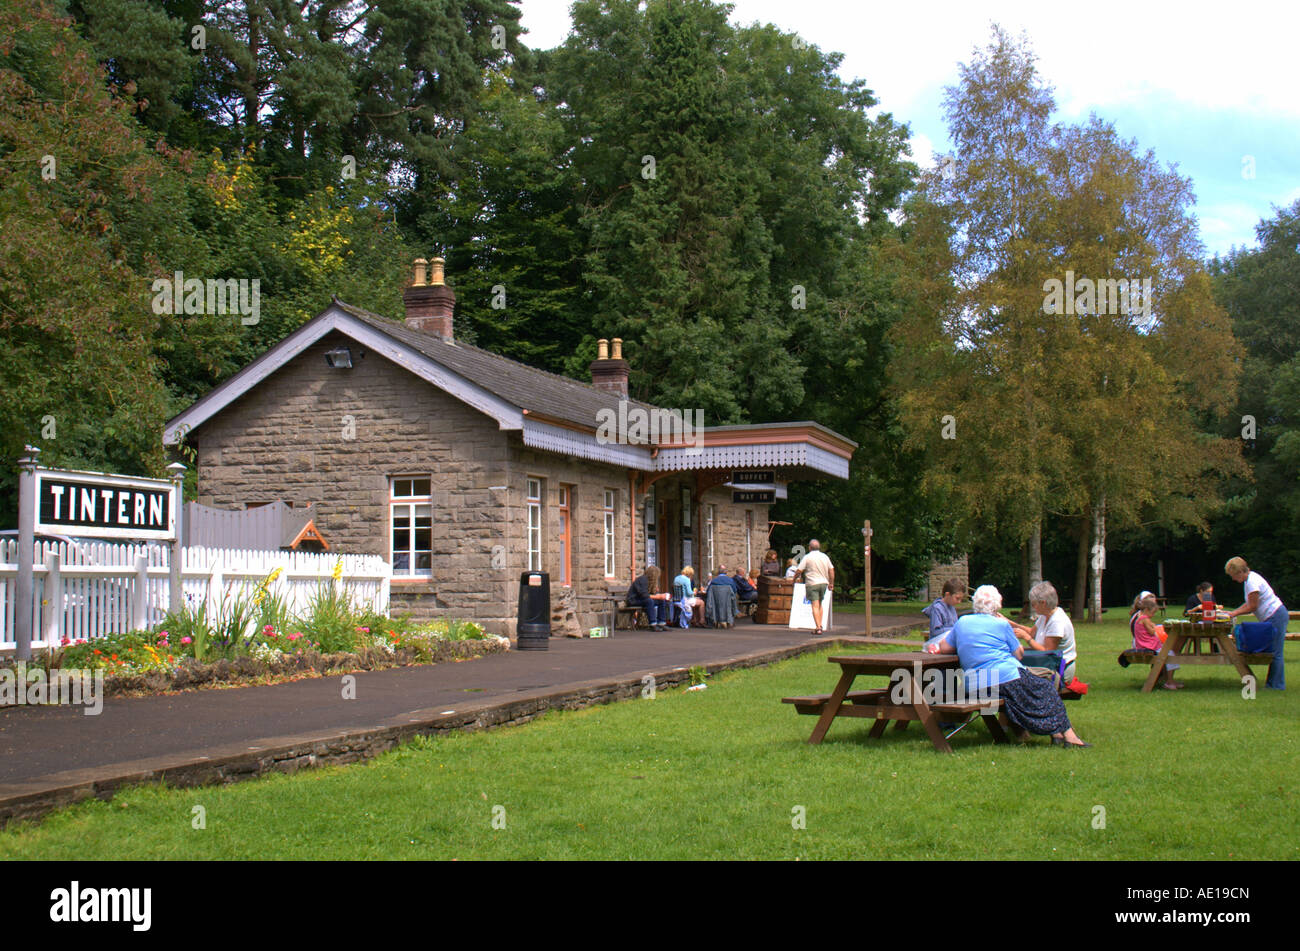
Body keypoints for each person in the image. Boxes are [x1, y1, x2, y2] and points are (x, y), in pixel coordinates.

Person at [929, 584, 1090, 747]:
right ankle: (1067, 736)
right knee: (1046, 688)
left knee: (1019, 696)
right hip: (1005, 677)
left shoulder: (962, 622)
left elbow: (944, 647)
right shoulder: (1001, 625)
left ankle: (1050, 734)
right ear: (997, 605)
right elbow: (1019, 654)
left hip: (975, 684)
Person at [1224, 556, 1288, 690]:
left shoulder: (1252, 582)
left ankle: (1277, 685)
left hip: (1276, 615)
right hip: (1272, 616)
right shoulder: (1250, 580)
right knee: (1273, 651)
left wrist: (1234, 614)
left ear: (1240, 572)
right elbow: (1248, 603)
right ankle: (1272, 684)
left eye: (1233, 576)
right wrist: (1233, 612)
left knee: (1275, 652)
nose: (1233, 579)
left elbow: (1252, 606)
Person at [1005, 581, 1078, 683]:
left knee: (1016, 678)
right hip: (1047, 664)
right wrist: (1009, 622)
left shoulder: (1057, 622)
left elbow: (1047, 651)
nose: (1033, 607)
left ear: (1043, 603)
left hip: (1058, 671)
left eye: (1034, 604)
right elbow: (1031, 632)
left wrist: (1026, 638)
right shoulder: (1045, 615)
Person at [1131, 593, 1182, 689]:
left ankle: (1169, 680)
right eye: (1153, 613)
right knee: (1170, 654)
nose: (1153, 615)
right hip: (1148, 646)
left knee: (1168, 653)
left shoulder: (1140, 618)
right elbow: (1151, 632)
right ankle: (1169, 681)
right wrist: (1154, 628)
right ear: (1146, 610)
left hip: (1144, 645)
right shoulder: (1145, 619)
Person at [795, 539, 835, 636]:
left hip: (812, 583)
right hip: (823, 583)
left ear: (809, 547)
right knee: (820, 604)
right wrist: (831, 583)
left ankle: (818, 627)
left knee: (815, 605)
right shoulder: (825, 557)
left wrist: (793, 579)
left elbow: (799, 570)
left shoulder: (807, 557)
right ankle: (820, 625)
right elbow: (831, 570)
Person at [921, 579, 965, 650]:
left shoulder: (952, 608)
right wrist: (955, 629)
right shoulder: (937, 608)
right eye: (957, 598)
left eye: (961, 599)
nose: (959, 602)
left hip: (949, 641)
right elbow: (935, 632)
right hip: (936, 643)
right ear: (947, 594)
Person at [626, 565, 672, 631]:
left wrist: (658, 593)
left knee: (661, 601)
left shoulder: (650, 582)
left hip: (642, 600)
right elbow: (644, 595)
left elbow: (650, 594)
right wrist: (658, 596)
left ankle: (661, 623)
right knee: (649, 601)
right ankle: (652, 624)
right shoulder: (642, 580)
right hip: (634, 600)